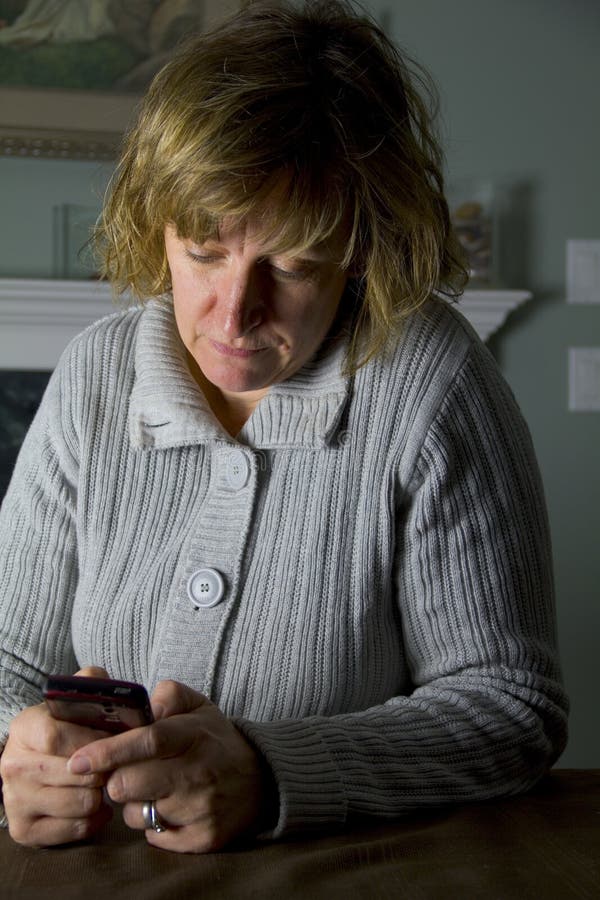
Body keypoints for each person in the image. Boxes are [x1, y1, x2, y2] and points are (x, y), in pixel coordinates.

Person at [0, 0, 568, 854]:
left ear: (364, 248)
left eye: (294, 262)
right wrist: (18, 750)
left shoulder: (434, 384)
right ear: (155, 227)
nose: (234, 313)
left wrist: (271, 771)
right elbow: (6, 662)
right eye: (202, 250)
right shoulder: (94, 376)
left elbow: (511, 705)